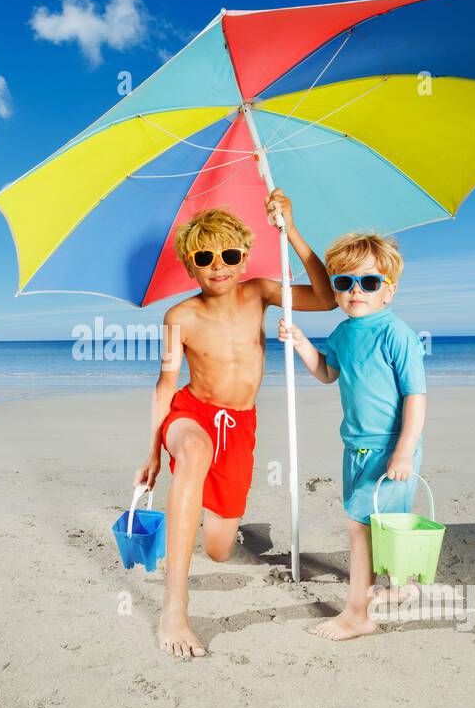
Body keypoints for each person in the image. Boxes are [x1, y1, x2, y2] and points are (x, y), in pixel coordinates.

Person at [134, 189, 334, 659]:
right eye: (205, 256)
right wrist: (152, 452)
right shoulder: (178, 316)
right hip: (191, 414)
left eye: (228, 253)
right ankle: (174, 605)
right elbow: (166, 385)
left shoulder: (261, 292)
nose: (218, 264)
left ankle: (193, 504)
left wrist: (294, 228)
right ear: (191, 266)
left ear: (244, 258)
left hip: (239, 427)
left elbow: (325, 299)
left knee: (222, 548)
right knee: (193, 454)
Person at [279, 231, 427, 641]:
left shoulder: (396, 334)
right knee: (385, 523)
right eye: (343, 282)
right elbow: (327, 373)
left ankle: (357, 613)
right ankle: (401, 588)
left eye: (369, 282)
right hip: (355, 447)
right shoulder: (343, 334)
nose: (355, 291)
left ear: (388, 291)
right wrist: (301, 342)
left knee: (359, 526)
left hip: (391, 447)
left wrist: (404, 451)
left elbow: (416, 396)